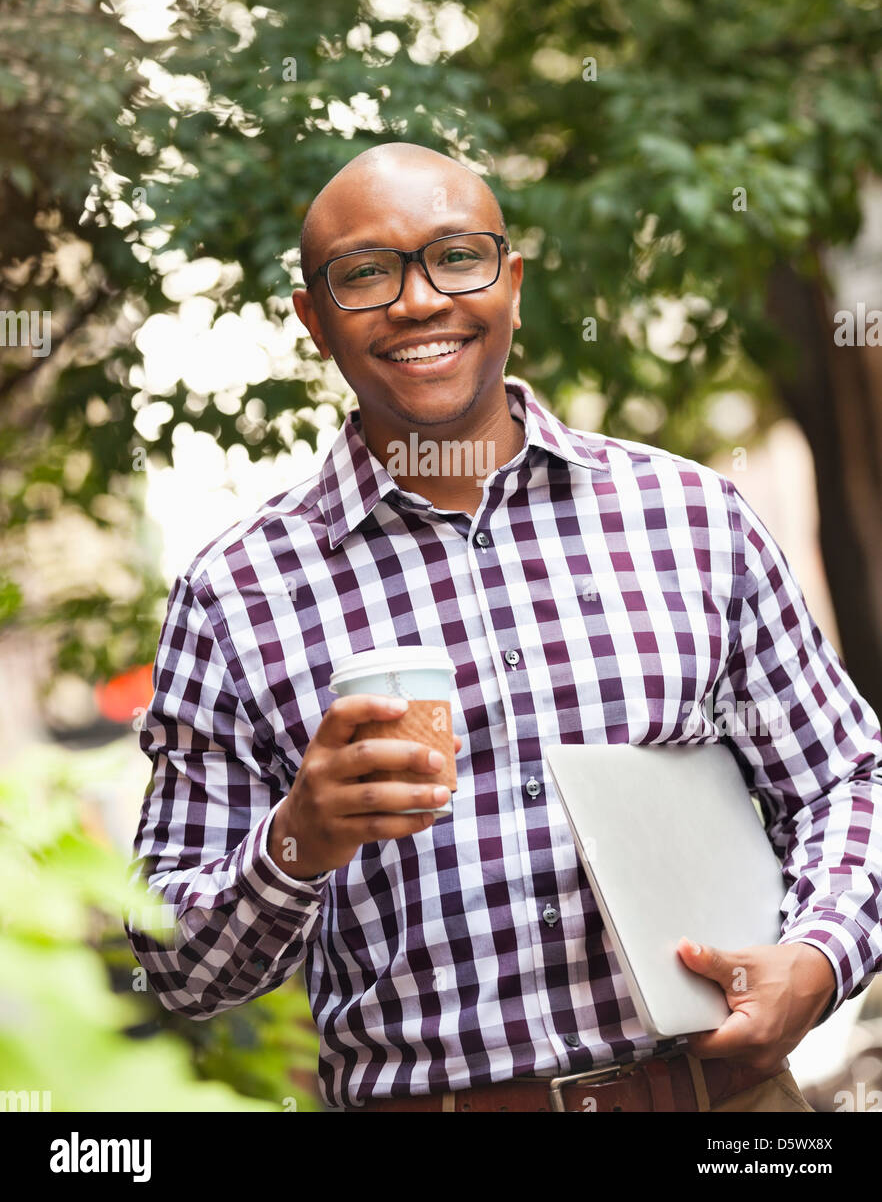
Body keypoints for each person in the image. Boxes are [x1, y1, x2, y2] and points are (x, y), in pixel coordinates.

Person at [126, 142, 882, 1113]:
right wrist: (294, 841)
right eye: (366, 273)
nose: (418, 300)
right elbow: (175, 965)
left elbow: (848, 775)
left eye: (456, 256)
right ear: (313, 320)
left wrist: (817, 959)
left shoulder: (692, 517)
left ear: (512, 284)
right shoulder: (234, 595)